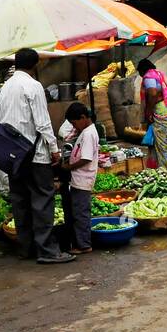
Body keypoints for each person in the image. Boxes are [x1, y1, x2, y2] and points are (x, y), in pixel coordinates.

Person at [0, 48, 72, 265]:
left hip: (13, 155)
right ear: (35, 65)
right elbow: (42, 121)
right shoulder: (33, 86)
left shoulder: (5, 88)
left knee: (20, 201)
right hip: (35, 154)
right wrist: (54, 149)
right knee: (42, 201)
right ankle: (47, 250)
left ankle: (25, 247)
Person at [61, 102, 99, 255]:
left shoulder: (89, 133)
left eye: (74, 123)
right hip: (78, 180)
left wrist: (69, 167)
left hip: (83, 180)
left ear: (83, 118)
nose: (74, 126)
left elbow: (86, 158)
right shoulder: (85, 131)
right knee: (77, 212)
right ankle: (80, 242)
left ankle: (84, 245)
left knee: (81, 214)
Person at [143, 75, 167, 174]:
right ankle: (160, 173)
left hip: (162, 115)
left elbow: (153, 94)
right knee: (162, 148)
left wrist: (149, 112)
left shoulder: (149, 78)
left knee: (164, 149)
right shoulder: (161, 77)